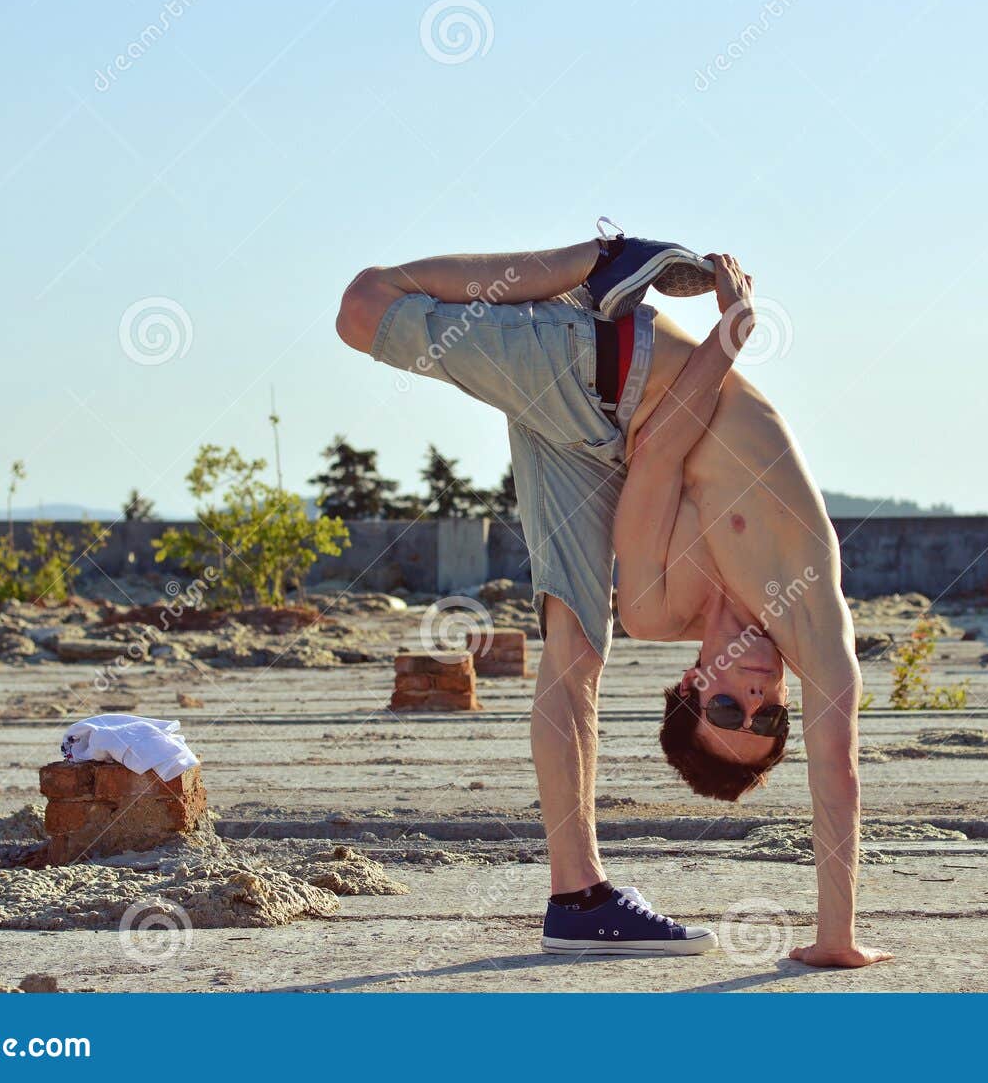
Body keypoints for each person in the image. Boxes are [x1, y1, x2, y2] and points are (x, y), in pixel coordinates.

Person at [335, 224, 889, 966]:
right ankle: (598, 263)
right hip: (602, 369)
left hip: (589, 436)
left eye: (728, 709)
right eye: (766, 713)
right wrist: (837, 935)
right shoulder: (811, 607)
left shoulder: (653, 607)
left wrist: (729, 335)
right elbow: (838, 765)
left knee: (574, 654)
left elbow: (658, 455)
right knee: (365, 306)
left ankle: (578, 899)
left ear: (694, 683)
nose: (752, 694)